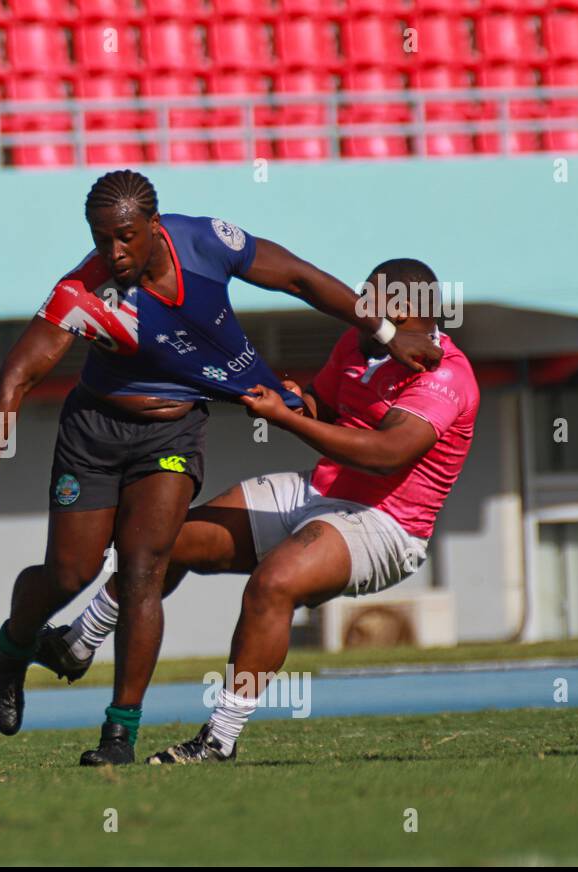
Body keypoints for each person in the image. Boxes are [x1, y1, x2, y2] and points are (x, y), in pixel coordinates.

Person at [0, 170, 441, 767]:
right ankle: (13, 645)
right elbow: (15, 377)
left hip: (172, 432)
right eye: (102, 240)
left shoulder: (207, 242)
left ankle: (119, 734)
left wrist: (385, 331)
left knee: (146, 567)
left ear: (154, 226)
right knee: (70, 573)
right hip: (94, 433)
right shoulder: (83, 292)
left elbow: (301, 278)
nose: (114, 253)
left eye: (125, 237)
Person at [46, 258, 477, 764]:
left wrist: (286, 422)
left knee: (274, 583)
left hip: (386, 524)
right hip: (320, 492)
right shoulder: (359, 345)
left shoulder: (447, 375)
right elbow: (327, 406)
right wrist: (296, 401)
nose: (358, 309)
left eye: (370, 300)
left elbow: (386, 456)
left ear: (405, 310)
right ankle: (82, 639)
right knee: (166, 538)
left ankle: (218, 739)